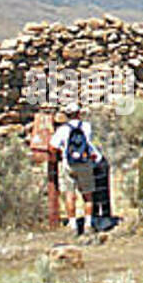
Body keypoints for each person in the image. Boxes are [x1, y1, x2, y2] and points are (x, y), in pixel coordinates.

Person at [49, 101, 107, 236]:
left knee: (70, 195)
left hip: (69, 165)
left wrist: (60, 154)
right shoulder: (87, 127)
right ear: (79, 114)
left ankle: (73, 225)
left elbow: (52, 146)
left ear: (67, 115)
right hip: (86, 164)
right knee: (88, 195)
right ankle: (88, 224)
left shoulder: (62, 130)